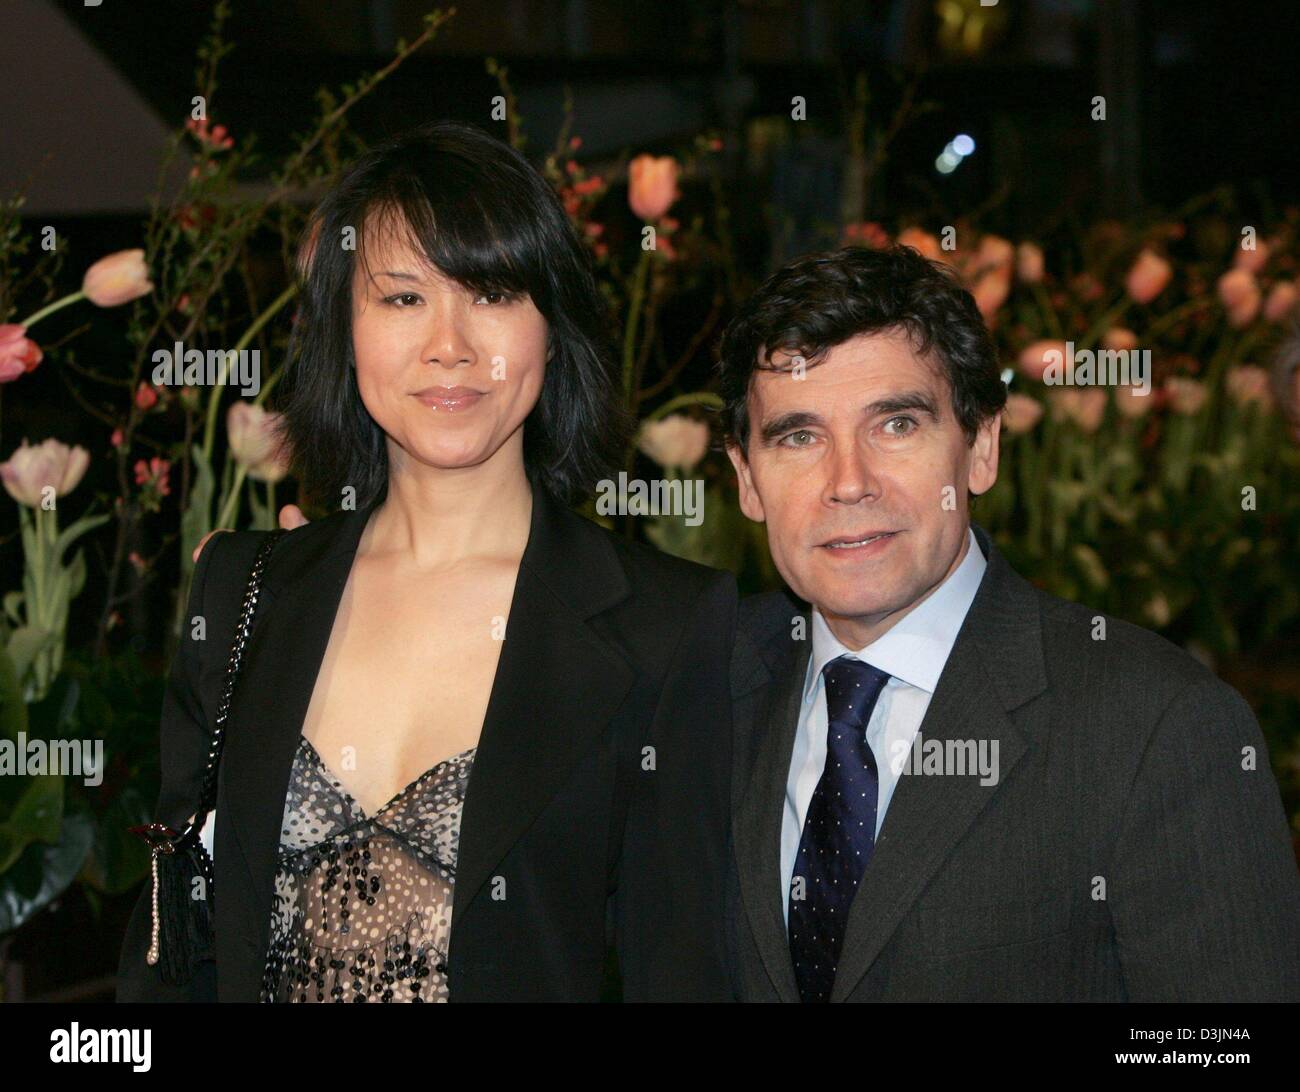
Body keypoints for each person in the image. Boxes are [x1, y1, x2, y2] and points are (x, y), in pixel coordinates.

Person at [117, 120, 735, 1003]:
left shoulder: (665, 627)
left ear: (552, 328)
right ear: (345, 329)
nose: (450, 344)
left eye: (492, 294)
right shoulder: (243, 588)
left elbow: (681, 973)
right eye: (403, 298)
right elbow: (172, 951)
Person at [719, 244, 1300, 1002]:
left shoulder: (1159, 727)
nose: (848, 482)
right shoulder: (698, 692)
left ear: (982, 448)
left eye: (896, 424)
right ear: (747, 479)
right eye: (799, 437)